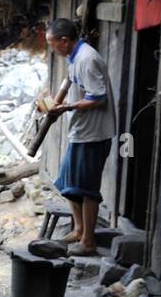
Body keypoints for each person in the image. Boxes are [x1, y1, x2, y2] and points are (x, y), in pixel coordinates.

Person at [37, 18, 117, 256]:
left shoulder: (87, 59)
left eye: (52, 43)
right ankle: (79, 230)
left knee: (87, 188)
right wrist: (51, 103)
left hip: (94, 134)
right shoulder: (75, 58)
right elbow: (67, 84)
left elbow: (98, 97)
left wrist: (67, 108)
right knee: (67, 183)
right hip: (81, 133)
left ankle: (89, 242)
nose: (51, 48)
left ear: (64, 41)